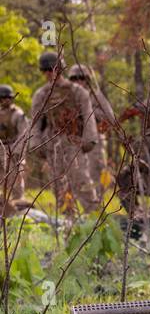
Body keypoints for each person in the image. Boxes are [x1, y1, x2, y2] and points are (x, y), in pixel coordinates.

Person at [25, 52, 101, 214]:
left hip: (74, 141)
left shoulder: (78, 92)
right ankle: (68, 221)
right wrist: (36, 144)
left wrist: (88, 141)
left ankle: (94, 217)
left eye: (52, 69)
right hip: (53, 143)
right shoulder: (41, 94)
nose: (49, 74)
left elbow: (88, 116)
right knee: (59, 184)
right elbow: (36, 122)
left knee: (81, 180)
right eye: (45, 70)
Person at [65, 63, 115, 194]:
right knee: (75, 174)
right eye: (74, 79)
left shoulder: (96, 96)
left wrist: (88, 111)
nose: (78, 81)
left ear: (87, 79)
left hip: (94, 139)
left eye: (81, 78)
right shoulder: (69, 97)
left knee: (94, 172)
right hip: (74, 139)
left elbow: (110, 117)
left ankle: (97, 206)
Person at [0, 85, 27, 213]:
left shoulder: (17, 114)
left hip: (12, 148)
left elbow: (24, 134)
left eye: (7, 97)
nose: (5, 100)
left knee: (15, 181)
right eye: (2, 98)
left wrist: (17, 153)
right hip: (1, 147)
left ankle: (18, 211)